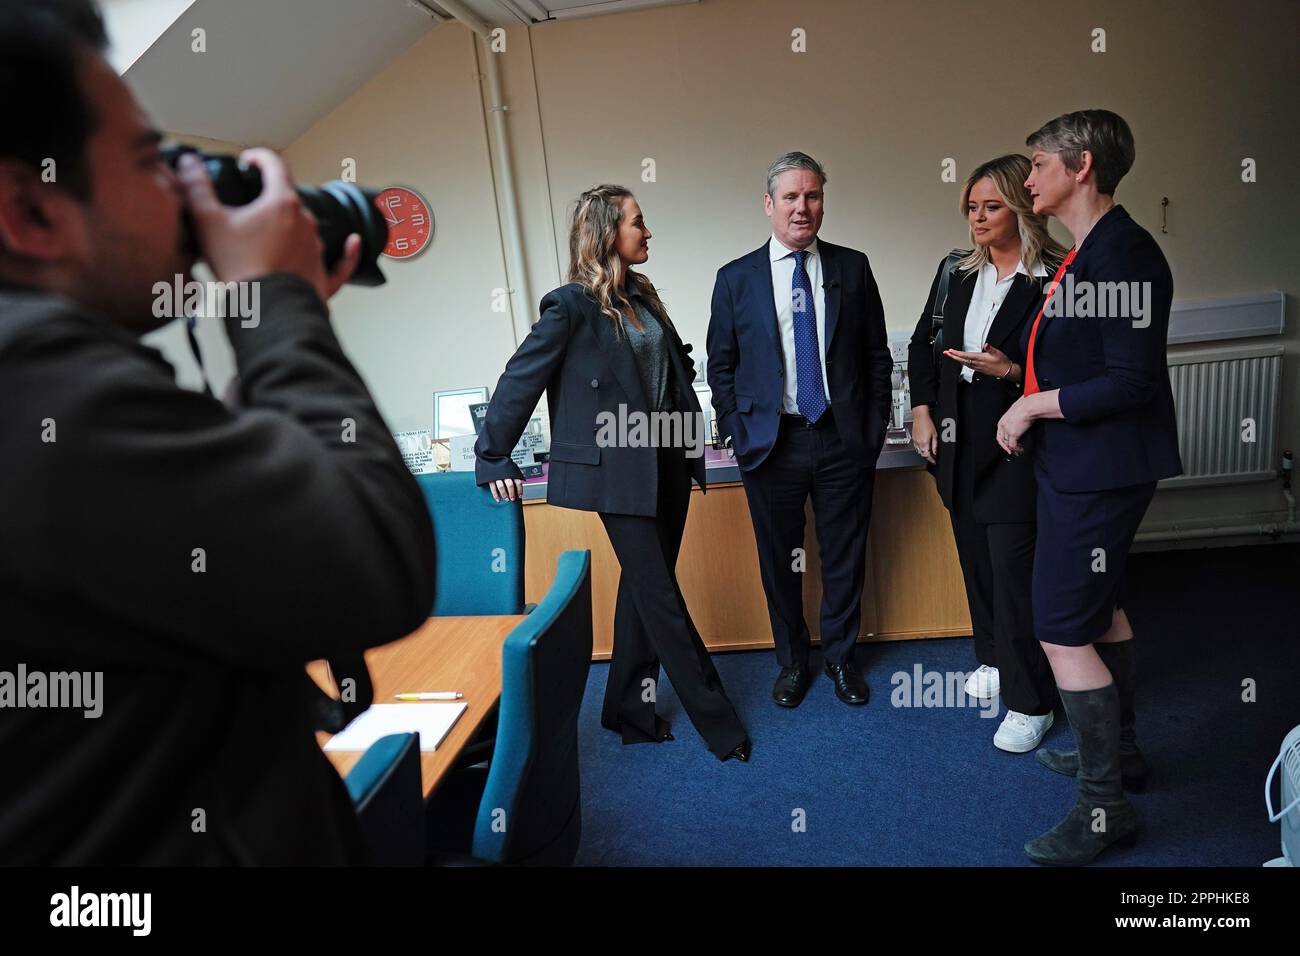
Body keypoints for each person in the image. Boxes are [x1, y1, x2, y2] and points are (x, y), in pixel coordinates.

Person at [0, 0, 436, 864]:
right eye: (144, 158)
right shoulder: (41, 390)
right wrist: (278, 306)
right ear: (31, 213)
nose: (181, 184)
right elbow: (374, 555)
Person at [474, 186, 751, 762]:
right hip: (618, 471)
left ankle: (628, 708)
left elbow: (664, 372)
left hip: (668, 460)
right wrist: (492, 454)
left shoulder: (642, 298)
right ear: (607, 233)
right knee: (662, 596)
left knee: (643, 591)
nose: (647, 232)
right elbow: (519, 379)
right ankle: (720, 725)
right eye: (637, 223)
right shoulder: (570, 306)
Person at [997, 109, 1182, 864]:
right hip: (1082, 467)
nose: (1027, 177)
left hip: (1099, 472)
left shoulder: (1124, 254)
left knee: (1061, 628)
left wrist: (1032, 403)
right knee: (1100, 611)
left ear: (1080, 168)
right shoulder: (1089, 252)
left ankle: (1105, 808)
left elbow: (1130, 381)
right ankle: (1123, 756)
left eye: (1037, 163)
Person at [707, 151, 893, 709]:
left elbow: (876, 355)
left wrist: (873, 426)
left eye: (812, 196)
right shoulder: (735, 278)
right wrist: (737, 431)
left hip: (842, 439)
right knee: (779, 561)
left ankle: (840, 659)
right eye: (790, 197)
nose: (802, 208)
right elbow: (721, 366)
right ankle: (792, 662)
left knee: (843, 555)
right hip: (771, 443)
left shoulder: (852, 268)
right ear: (769, 204)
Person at [907, 154, 1066, 753]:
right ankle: (995, 660)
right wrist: (921, 411)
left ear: (1021, 208)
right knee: (974, 559)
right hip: (954, 442)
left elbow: (1073, 370)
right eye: (970, 207)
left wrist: (1011, 371)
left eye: (991, 206)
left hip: (1016, 445)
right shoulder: (955, 272)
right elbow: (924, 346)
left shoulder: (1054, 276)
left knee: (1011, 572)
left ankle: (1032, 703)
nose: (977, 218)